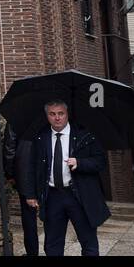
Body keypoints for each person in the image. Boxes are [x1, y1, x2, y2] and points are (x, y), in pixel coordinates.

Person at [20, 98, 110, 256]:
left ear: (67, 114)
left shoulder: (84, 135)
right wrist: (31, 194)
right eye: (52, 114)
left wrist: (80, 163)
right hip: (53, 196)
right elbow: (32, 167)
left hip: (79, 195)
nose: (57, 118)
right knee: (52, 245)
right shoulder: (41, 137)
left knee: (88, 242)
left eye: (61, 113)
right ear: (47, 115)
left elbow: (100, 162)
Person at [2, 122, 38, 256]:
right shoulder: (48, 113)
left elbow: (9, 147)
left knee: (29, 216)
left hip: (24, 173)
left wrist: (10, 173)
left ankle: (32, 253)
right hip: (44, 172)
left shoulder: (15, 117)